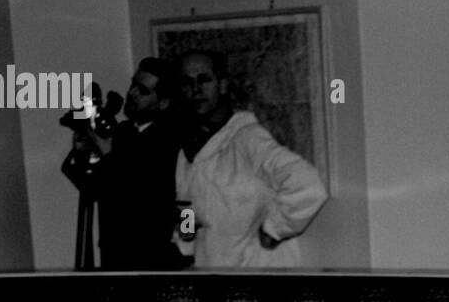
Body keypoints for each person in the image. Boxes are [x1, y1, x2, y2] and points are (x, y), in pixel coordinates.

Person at [174, 51, 327, 268]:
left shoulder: (247, 138)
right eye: (187, 83)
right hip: (212, 268)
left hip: (256, 271)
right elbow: (187, 206)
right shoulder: (189, 148)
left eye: (204, 80)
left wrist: (274, 229)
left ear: (223, 85)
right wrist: (187, 238)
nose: (195, 89)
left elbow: (307, 183)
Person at [61, 58, 181, 270]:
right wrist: (81, 152)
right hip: (115, 256)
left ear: (163, 103)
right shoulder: (122, 132)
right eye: (133, 84)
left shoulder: (170, 141)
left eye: (143, 91)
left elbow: (136, 191)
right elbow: (92, 187)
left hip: (154, 258)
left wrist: (105, 150)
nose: (132, 92)